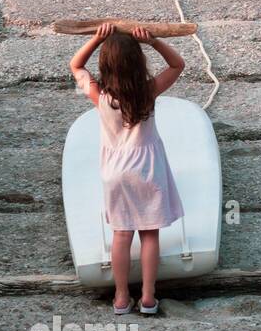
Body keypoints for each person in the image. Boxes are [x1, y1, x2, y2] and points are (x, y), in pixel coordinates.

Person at [69, 23, 185, 315]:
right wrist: (154, 41)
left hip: (115, 172)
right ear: (139, 62)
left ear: (106, 65)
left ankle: (121, 298)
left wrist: (96, 39)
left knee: (121, 235)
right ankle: (148, 296)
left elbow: (75, 65)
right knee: (149, 234)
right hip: (148, 169)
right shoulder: (148, 91)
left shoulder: (101, 97)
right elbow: (177, 64)